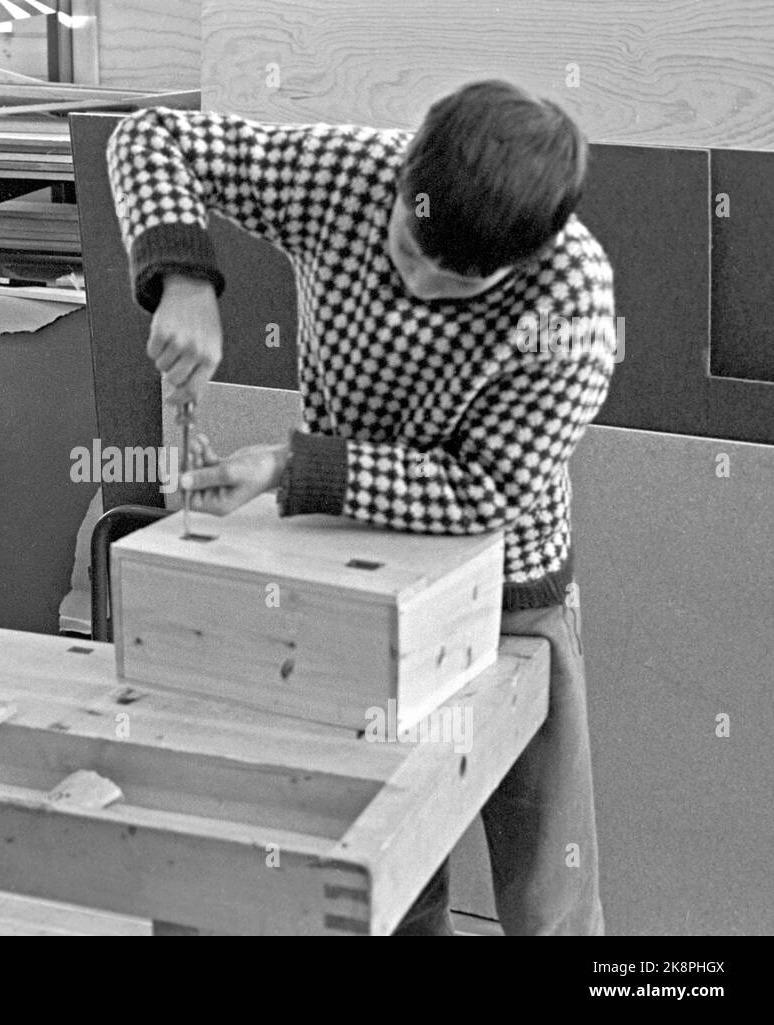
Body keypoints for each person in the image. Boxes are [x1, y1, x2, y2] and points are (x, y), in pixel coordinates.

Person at [107, 80, 613, 934]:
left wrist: (288, 468)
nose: (415, 282)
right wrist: (184, 278)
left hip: (504, 592)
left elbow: (479, 492)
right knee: (384, 855)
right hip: (342, 563)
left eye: (453, 281)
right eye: (409, 247)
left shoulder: (573, 306)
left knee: (548, 890)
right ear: (407, 159)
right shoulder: (345, 173)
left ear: (524, 259)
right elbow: (150, 134)